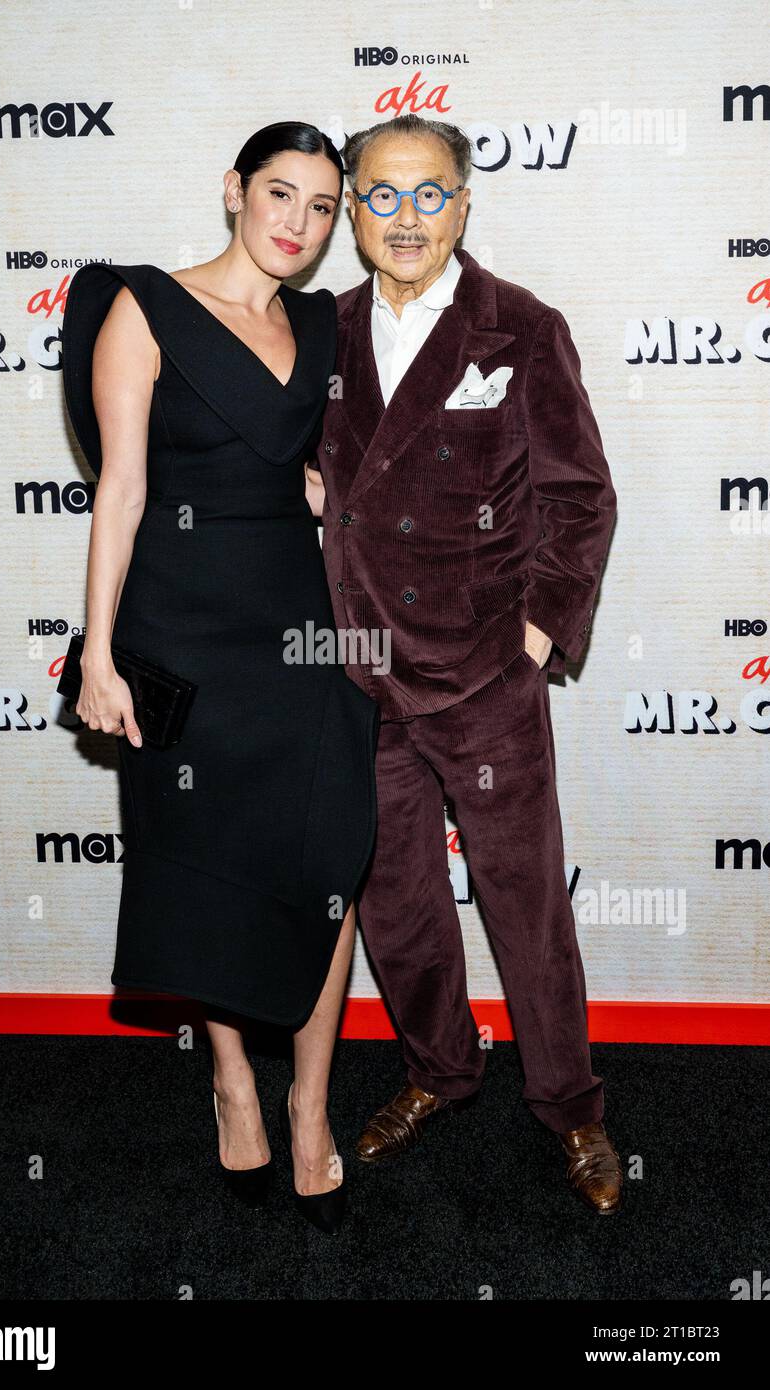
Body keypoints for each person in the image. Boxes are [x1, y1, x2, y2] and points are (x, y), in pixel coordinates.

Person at [61, 122, 380, 1235]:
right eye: (279, 194)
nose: (297, 222)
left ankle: (310, 1105)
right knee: (205, 859)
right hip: (183, 629)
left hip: (298, 625)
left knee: (332, 845)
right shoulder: (141, 309)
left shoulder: (319, 322)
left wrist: (312, 489)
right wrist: (96, 653)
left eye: (322, 206)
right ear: (233, 191)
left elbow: (327, 454)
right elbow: (122, 491)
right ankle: (233, 1081)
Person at [305, 113, 623, 1215]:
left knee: (524, 901)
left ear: (464, 201)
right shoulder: (322, 331)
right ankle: (440, 1069)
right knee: (394, 903)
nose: (404, 217)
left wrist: (533, 637)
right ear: (349, 206)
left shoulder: (519, 328)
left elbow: (578, 496)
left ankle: (571, 1106)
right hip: (358, 673)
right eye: (380, 194)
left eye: (427, 193)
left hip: (484, 673)